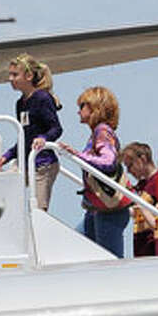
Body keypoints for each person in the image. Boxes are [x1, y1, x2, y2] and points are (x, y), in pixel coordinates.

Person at [60, 86, 130, 257]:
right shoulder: (97, 133)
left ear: (95, 107)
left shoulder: (102, 131)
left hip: (108, 212)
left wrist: (79, 155)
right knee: (81, 251)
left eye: (82, 106)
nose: (78, 111)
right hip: (96, 209)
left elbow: (108, 161)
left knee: (109, 262)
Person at [0, 53, 63, 211]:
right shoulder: (20, 103)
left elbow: (56, 128)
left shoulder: (42, 98)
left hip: (43, 164)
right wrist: (8, 155)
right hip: (26, 162)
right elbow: (24, 136)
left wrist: (43, 139)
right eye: (10, 75)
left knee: (38, 210)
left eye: (15, 75)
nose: (10, 79)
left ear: (29, 76)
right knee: (4, 192)